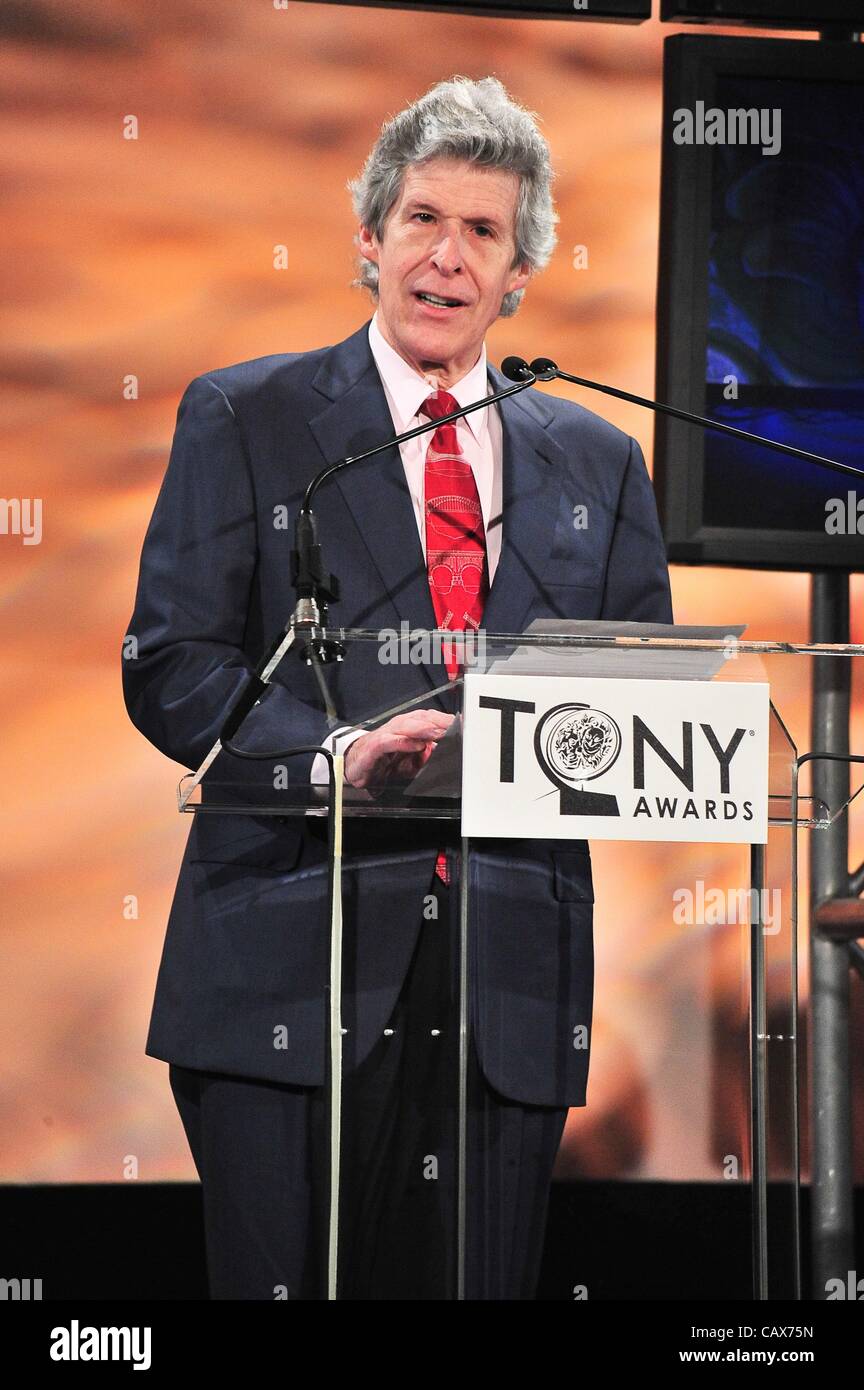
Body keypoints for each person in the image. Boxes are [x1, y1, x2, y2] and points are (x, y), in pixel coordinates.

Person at [122, 74, 672, 1300]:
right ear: (368, 239)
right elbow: (173, 661)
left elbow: (636, 699)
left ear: (521, 270)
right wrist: (333, 757)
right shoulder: (250, 416)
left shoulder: (599, 457)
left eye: (483, 231)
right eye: (422, 219)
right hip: (288, 950)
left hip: (507, 973)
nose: (447, 256)